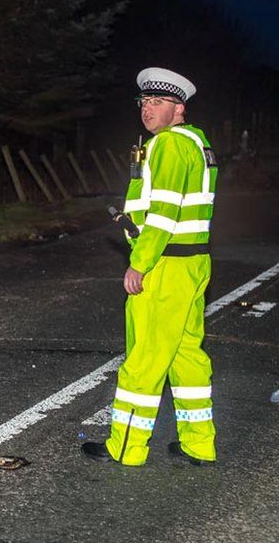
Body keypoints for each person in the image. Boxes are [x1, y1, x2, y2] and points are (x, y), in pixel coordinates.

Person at [83, 67, 218, 466]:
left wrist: (139, 264)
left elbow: (163, 214)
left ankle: (126, 448)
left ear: (180, 108)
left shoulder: (169, 146)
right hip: (194, 263)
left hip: (165, 265)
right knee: (187, 356)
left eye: (158, 102)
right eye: (144, 102)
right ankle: (199, 443)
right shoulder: (200, 143)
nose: (148, 109)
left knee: (143, 359)